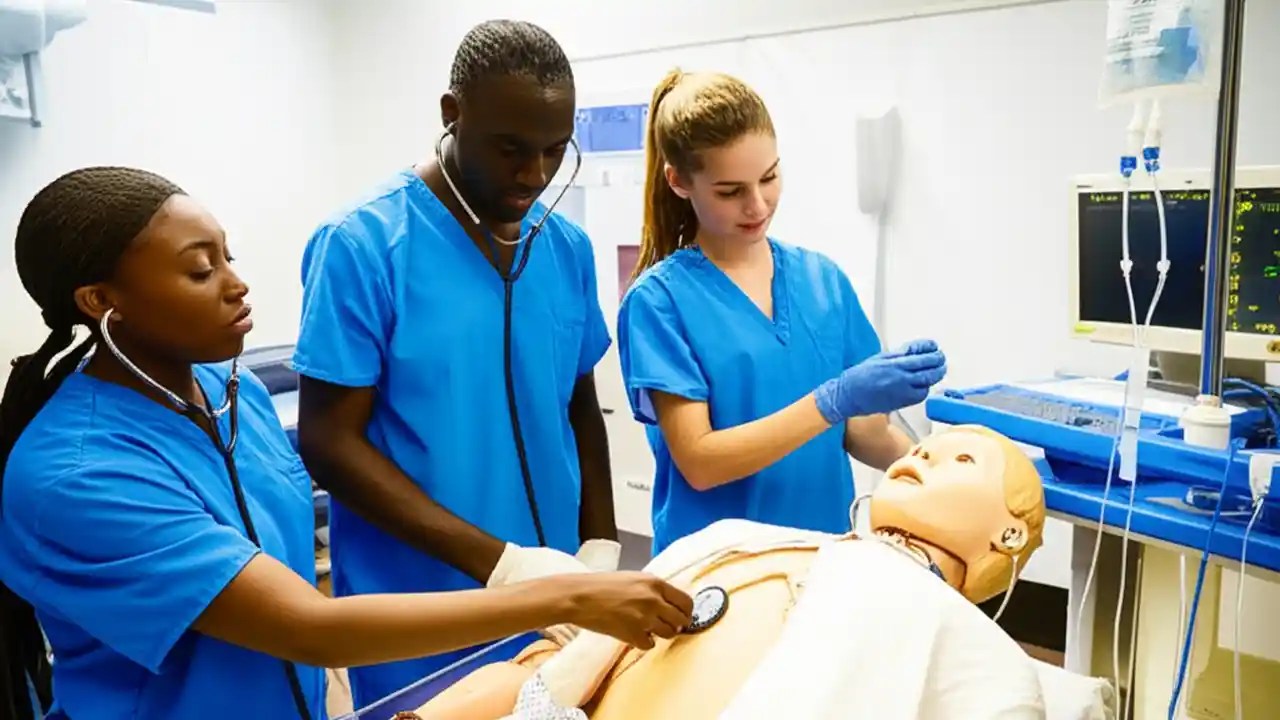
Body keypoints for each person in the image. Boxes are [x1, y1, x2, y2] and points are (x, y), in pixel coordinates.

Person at [0, 167, 694, 720]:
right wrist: (563, 596)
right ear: (98, 301)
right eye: (200, 270)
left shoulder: (227, 395)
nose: (239, 284)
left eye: (229, 257)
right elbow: (306, 626)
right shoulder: (76, 474)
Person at [292, 19, 619, 708]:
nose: (534, 175)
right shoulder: (363, 245)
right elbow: (328, 442)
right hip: (419, 608)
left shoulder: (564, 248)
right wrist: (499, 565)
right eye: (510, 149)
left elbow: (579, 404)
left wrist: (599, 542)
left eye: (555, 151)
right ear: (451, 114)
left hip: (560, 598)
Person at [389, 425, 1054, 719]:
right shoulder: (741, 538)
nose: (925, 454)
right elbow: (548, 667)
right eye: (929, 446)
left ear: (1008, 536)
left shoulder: (985, 659)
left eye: (961, 461)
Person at [617, 69, 949, 555]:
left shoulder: (822, 280)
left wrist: (943, 471)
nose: (757, 205)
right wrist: (831, 400)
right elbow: (701, 462)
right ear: (679, 181)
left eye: (769, 177)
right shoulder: (658, 302)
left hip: (821, 558)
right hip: (717, 574)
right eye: (730, 191)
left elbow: (865, 433)